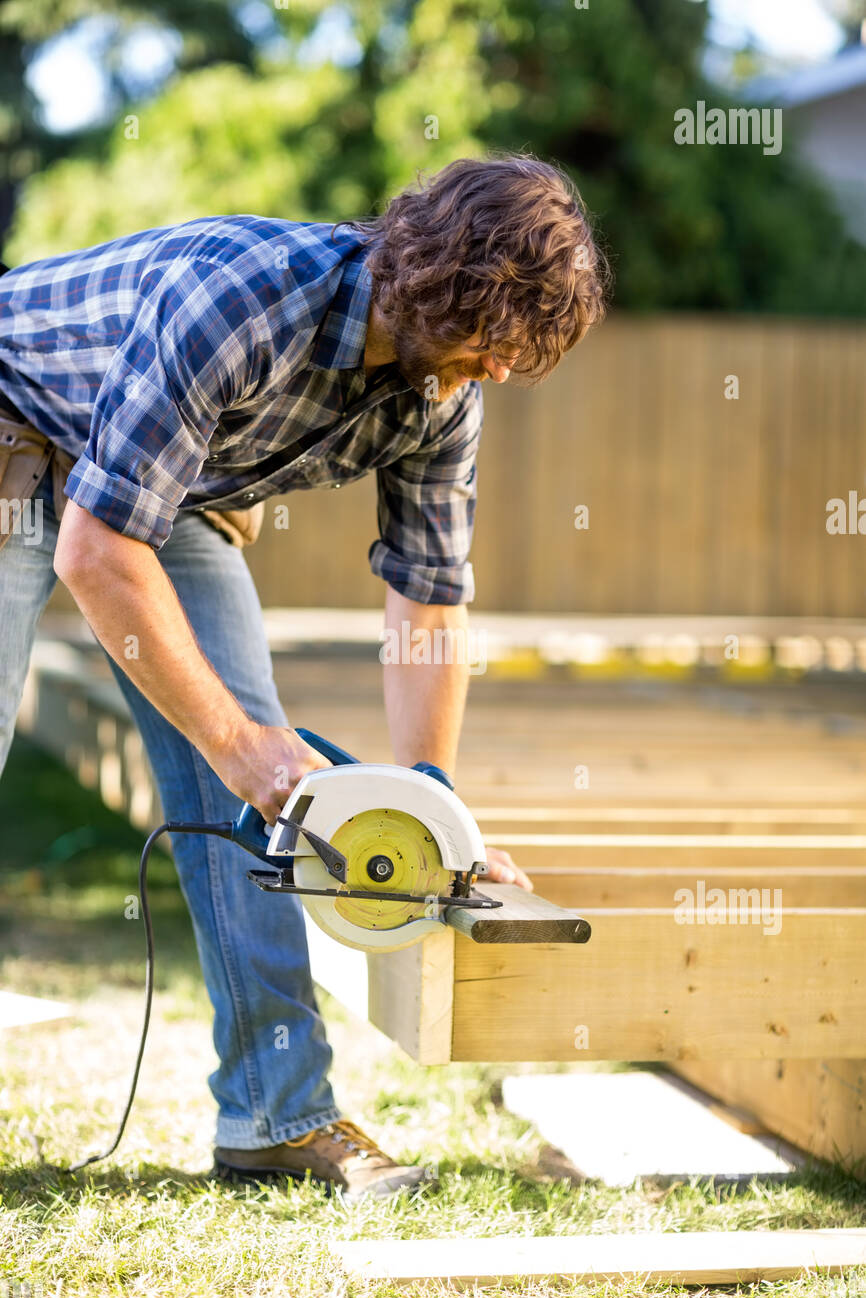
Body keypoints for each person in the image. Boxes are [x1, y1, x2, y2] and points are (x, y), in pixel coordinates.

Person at [0, 154, 607, 1199]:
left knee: (272, 803)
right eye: (489, 336)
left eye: (519, 351)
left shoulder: (442, 390)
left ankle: (277, 1118)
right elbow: (94, 553)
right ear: (430, 278)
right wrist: (238, 745)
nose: (500, 371)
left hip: (156, 494)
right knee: (236, 751)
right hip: (13, 424)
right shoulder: (240, 299)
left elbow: (426, 599)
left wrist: (431, 818)